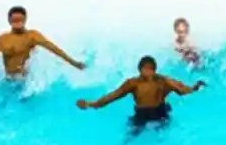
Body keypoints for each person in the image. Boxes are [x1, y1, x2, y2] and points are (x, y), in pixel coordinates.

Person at [76, 56, 205, 135]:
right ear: (139, 70)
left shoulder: (164, 81)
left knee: (162, 132)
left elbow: (183, 90)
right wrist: (92, 104)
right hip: (141, 114)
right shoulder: (133, 83)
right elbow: (114, 96)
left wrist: (195, 87)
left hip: (159, 112)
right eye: (144, 69)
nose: (147, 72)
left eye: (150, 69)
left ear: (154, 70)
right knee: (130, 137)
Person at [0, 6, 85, 84]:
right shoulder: (1, 39)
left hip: (24, 81)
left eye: (20, 20)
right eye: (14, 20)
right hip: (8, 80)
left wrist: (74, 63)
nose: (18, 23)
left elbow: (54, 49)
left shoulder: (32, 36)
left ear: (25, 19)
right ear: (9, 21)